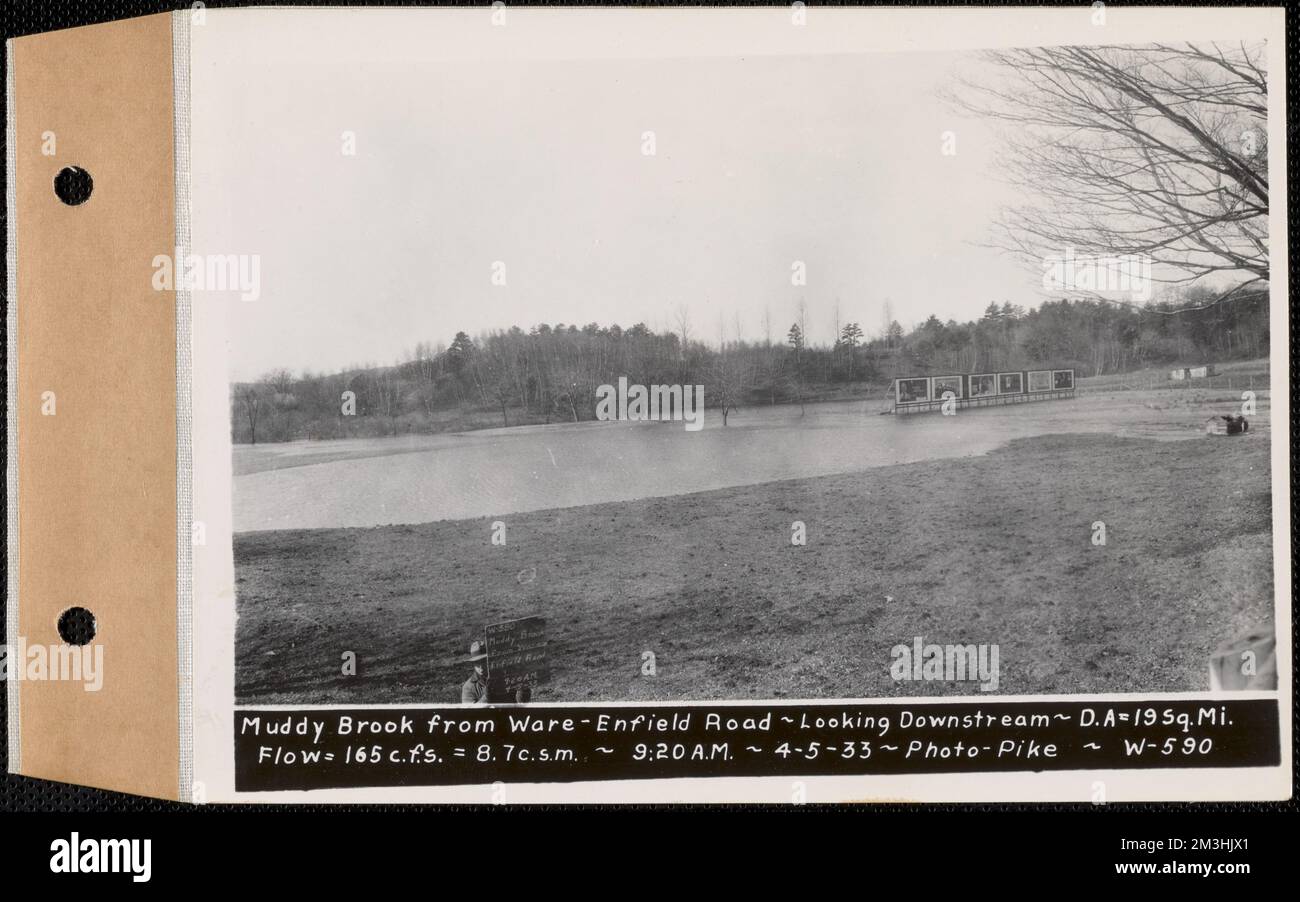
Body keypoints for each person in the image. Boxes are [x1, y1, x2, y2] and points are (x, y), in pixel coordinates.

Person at [460, 640, 489, 705]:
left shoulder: (501, 677)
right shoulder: (468, 687)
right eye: (477, 662)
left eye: (484, 661)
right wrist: (487, 696)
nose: (481, 666)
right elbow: (471, 713)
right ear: (473, 664)